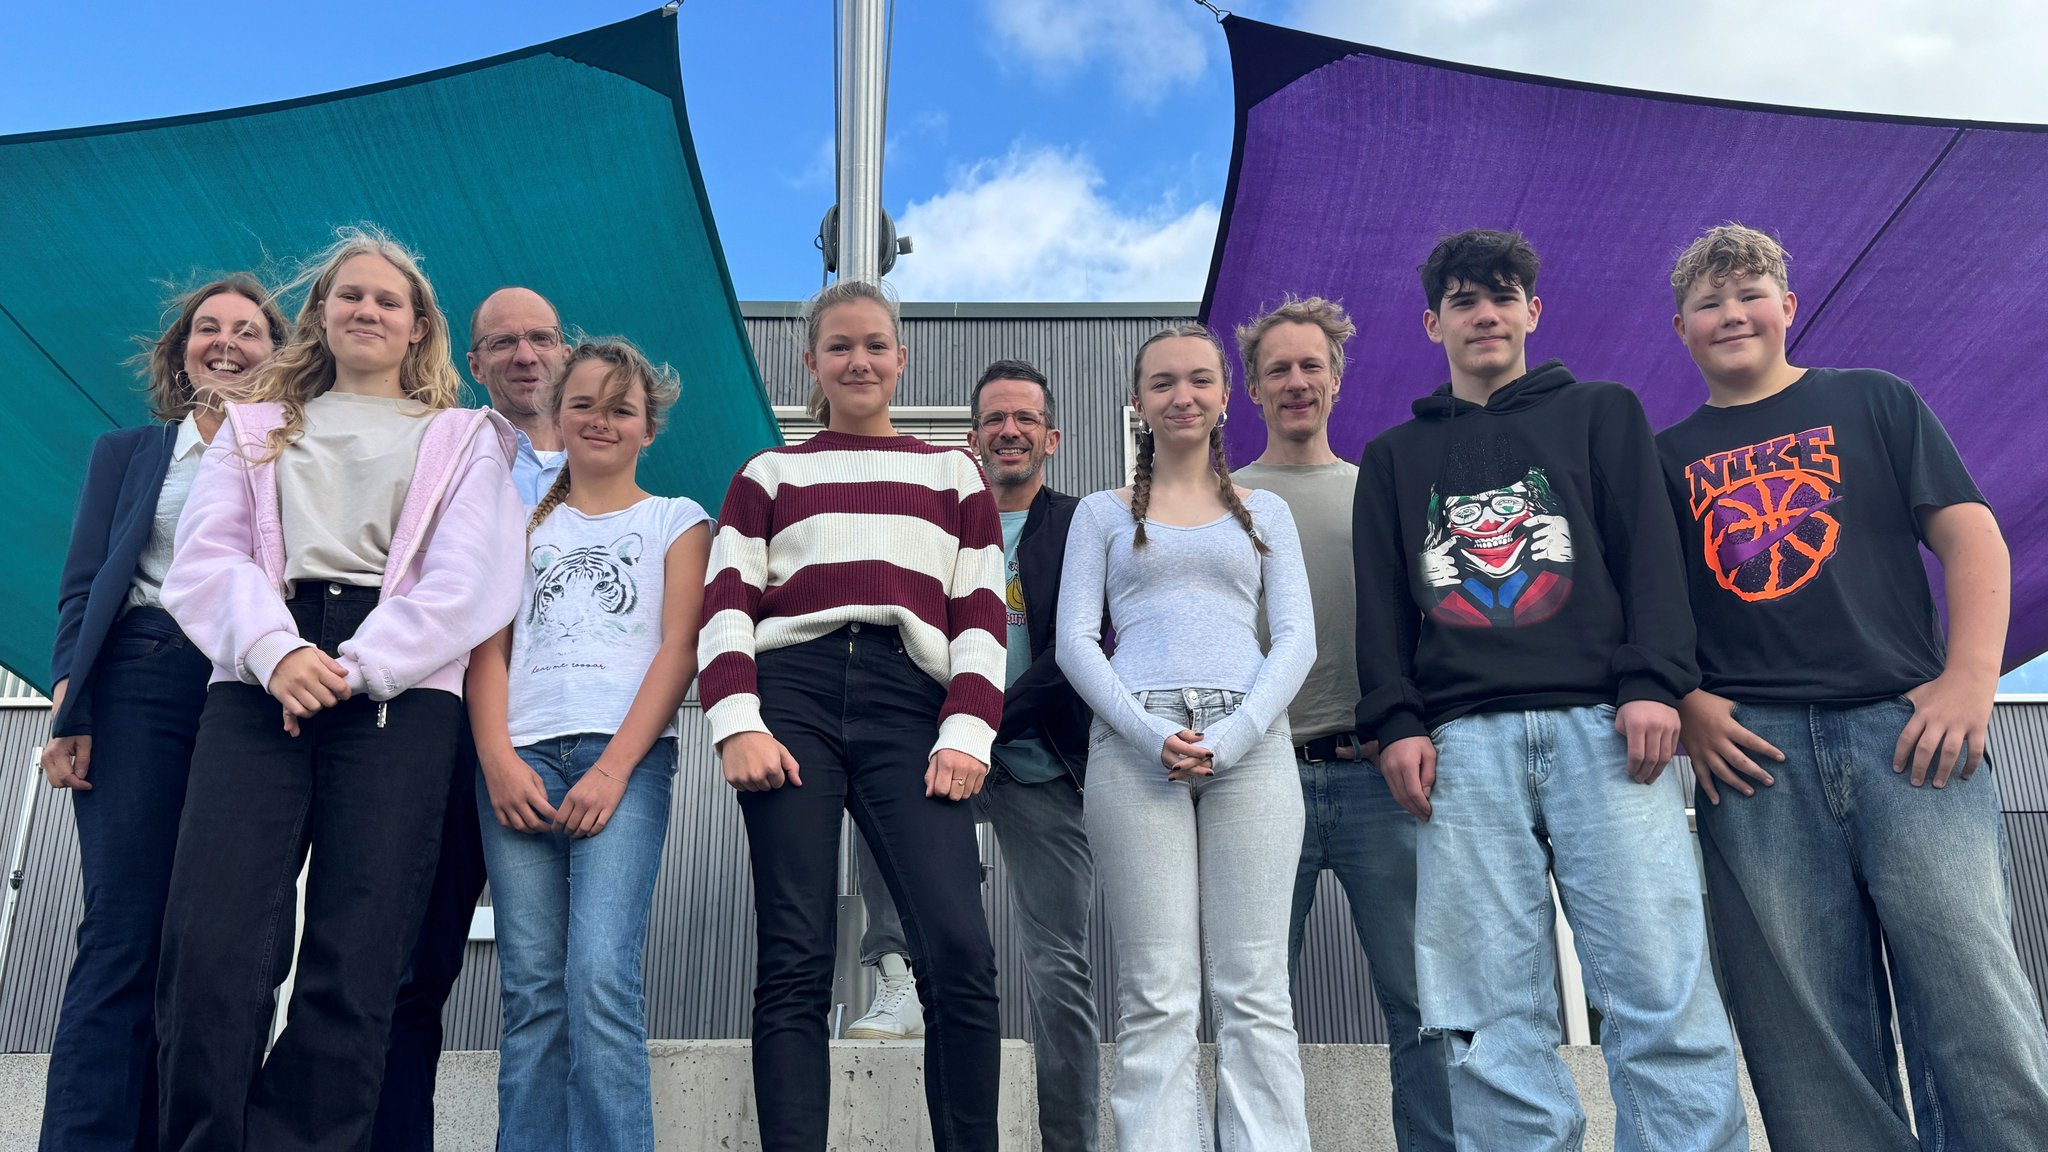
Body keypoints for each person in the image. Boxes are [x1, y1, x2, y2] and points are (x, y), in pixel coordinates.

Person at [1657, 222, 2048, 1149]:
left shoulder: (1874, 401)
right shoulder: (1661, 456)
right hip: (1753, 758)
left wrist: (1971, 681)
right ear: (1680, 329)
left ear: (1788, 307)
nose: (1731, 314)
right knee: (1804, 1026)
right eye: (1707, 303)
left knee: (1972, 990)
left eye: (1749, 292)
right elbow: (1648, 606)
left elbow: (1972, 536)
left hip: (1910, 735)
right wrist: (1688, 702)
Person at [1354, 229, 1746, 1151]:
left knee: (1659, 987)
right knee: (1488, 1011)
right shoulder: (1395, 456)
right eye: (1462, 300)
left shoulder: (1604, 413)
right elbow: (1379, 604)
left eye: (1501, 296)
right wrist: (1396, 722)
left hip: (1608, 732)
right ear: (1432, 323)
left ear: (1533, 310)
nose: (1483, 314)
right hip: (1460, 746)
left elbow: (1653, 557)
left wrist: (1654, 683)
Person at [155, 227, 525, 1152]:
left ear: (418, 328)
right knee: (213, 945)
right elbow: (205, 561)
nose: (366, 309)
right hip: (257, 676)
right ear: (319, 315)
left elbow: (473, 579)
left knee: (358, 959)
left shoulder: (467, 437)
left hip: (398, 691)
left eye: (387, 300)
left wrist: (357, 666)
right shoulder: (255, 424)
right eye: (348, 295)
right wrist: (277, 652)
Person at [698, 278, 1004, 1151]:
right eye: (840, 346)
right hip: (788, 693)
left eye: (876, 344)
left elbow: (982, 614)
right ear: (811, 363)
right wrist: (736, 722)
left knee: (960, 954)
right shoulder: (770, 471)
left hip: (909, 698)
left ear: (901, 359)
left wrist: (967, 731)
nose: (859, 360)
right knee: (794, 954)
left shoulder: (953, 473)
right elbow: (726, 604)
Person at [39, 275, 285, 1152]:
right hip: (140, 681)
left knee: (218, 940)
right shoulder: (130, 452)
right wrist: (71, 703)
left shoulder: (291, 453)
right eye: (207, 329)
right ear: (180, 350)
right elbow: (81, 589)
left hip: (249, 691)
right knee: (123, 929)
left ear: (279, 351)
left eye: (248, 331)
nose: (226, 343)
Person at [1057, 324, 1315, 1152]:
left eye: (1199, 381)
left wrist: (1236, 736)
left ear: (1223, 395)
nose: (1183, 397)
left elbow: (1297, 639)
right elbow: (1073, 641)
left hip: (1253, 747)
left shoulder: (1266, 509)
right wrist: (1145, 732)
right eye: (1163, 383)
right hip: (1135, 754)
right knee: (1158, 994)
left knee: (1254, 992)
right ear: (1138, 402)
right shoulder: (1101, 512)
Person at [845, 359, 1100, 1151]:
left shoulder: (1081, 523)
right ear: (972, 437)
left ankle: (1070, 1140)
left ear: (1051, 437)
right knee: (877, 819)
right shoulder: (936, 519)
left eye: (1025, 418)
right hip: (940, 752)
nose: (1010, 431)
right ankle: (894, 980)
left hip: (1039, 763)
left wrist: (983, 724)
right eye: (995, 419)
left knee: (1060, 969)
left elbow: (1073, 653)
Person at [467, 338, 710, 1150]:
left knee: (599, 974)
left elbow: (679, 649)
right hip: (520, 758)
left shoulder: (677, 520)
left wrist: (613, 770)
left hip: (624, 760)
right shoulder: (516, 524)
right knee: (532, 987)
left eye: (621, 409)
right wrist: (497, 758)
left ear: (649, 428)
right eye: (585, 405)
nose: (601, 421)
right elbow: (488, 649)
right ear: (555, 416)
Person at [1230, 296, 1453, 1152]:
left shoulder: (1381, 494)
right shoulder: (1225, 503)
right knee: (1254, 1009)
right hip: (1259, 783)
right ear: (1251, 387)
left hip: (1379, 781)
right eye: (1277, 368)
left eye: (1310, 365)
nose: (1295, 382)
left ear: (1336, 377)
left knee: (1423, 1004)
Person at [373, 285, 571, 1151]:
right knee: (411, 969)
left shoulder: (613, 468)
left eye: (540, 338)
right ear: (475, 363)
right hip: (446, 740)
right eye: (503, 343)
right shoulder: (444, 454)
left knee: (571, 979)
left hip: (571, 739)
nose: (524, 355)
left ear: (565, 349)